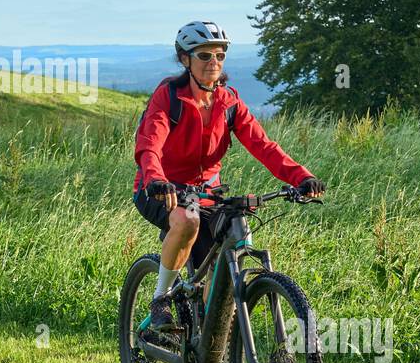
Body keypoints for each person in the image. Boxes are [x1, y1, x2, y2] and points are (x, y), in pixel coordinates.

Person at [132, 20, 324, 343]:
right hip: (161, 189)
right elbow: (149, 144)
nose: (214, 63)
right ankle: (161, 298)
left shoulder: (229, 103)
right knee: (187, 220)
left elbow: (264, 147)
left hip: (207, 194)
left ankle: (216, 351)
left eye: (220, 56)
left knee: (236, 239)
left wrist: (301, 176)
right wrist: (156, 179)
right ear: (185, 60)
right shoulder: (170, 97)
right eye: (204, 56)